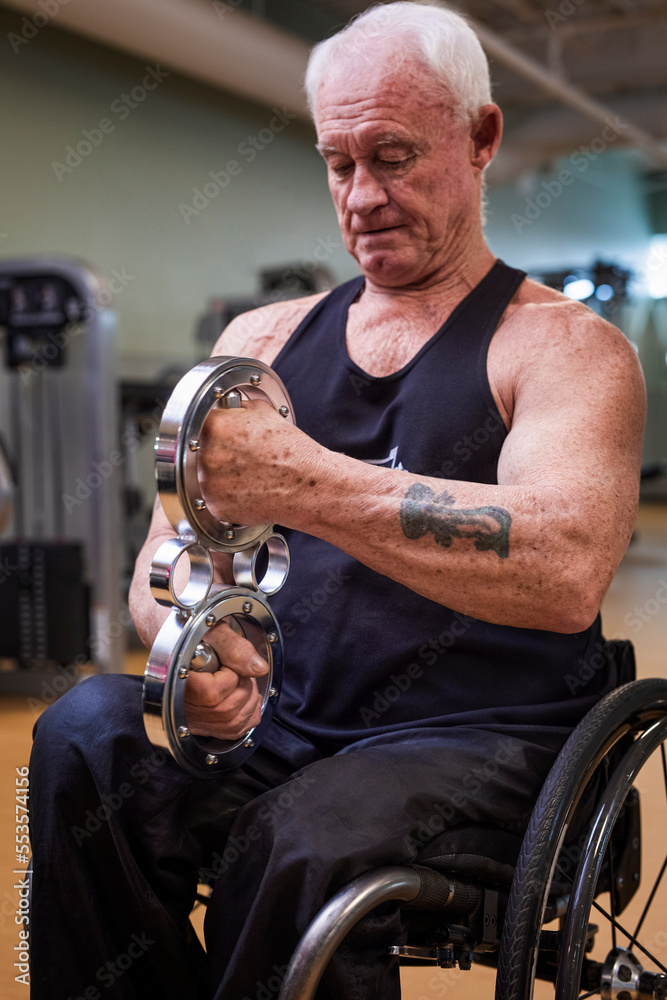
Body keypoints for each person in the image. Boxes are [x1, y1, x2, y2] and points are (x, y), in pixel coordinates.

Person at [29, 3, 645, 999]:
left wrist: (300, 481)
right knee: (84, 735)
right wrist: (196, 646)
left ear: (481, 138)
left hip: (481, 741)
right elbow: (164, 568)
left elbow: (563, 570)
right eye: (338, 162)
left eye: (394, 155)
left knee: (301, 834)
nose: (361, 195)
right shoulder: (262, 343)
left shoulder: (564, 349)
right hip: (289, 721)